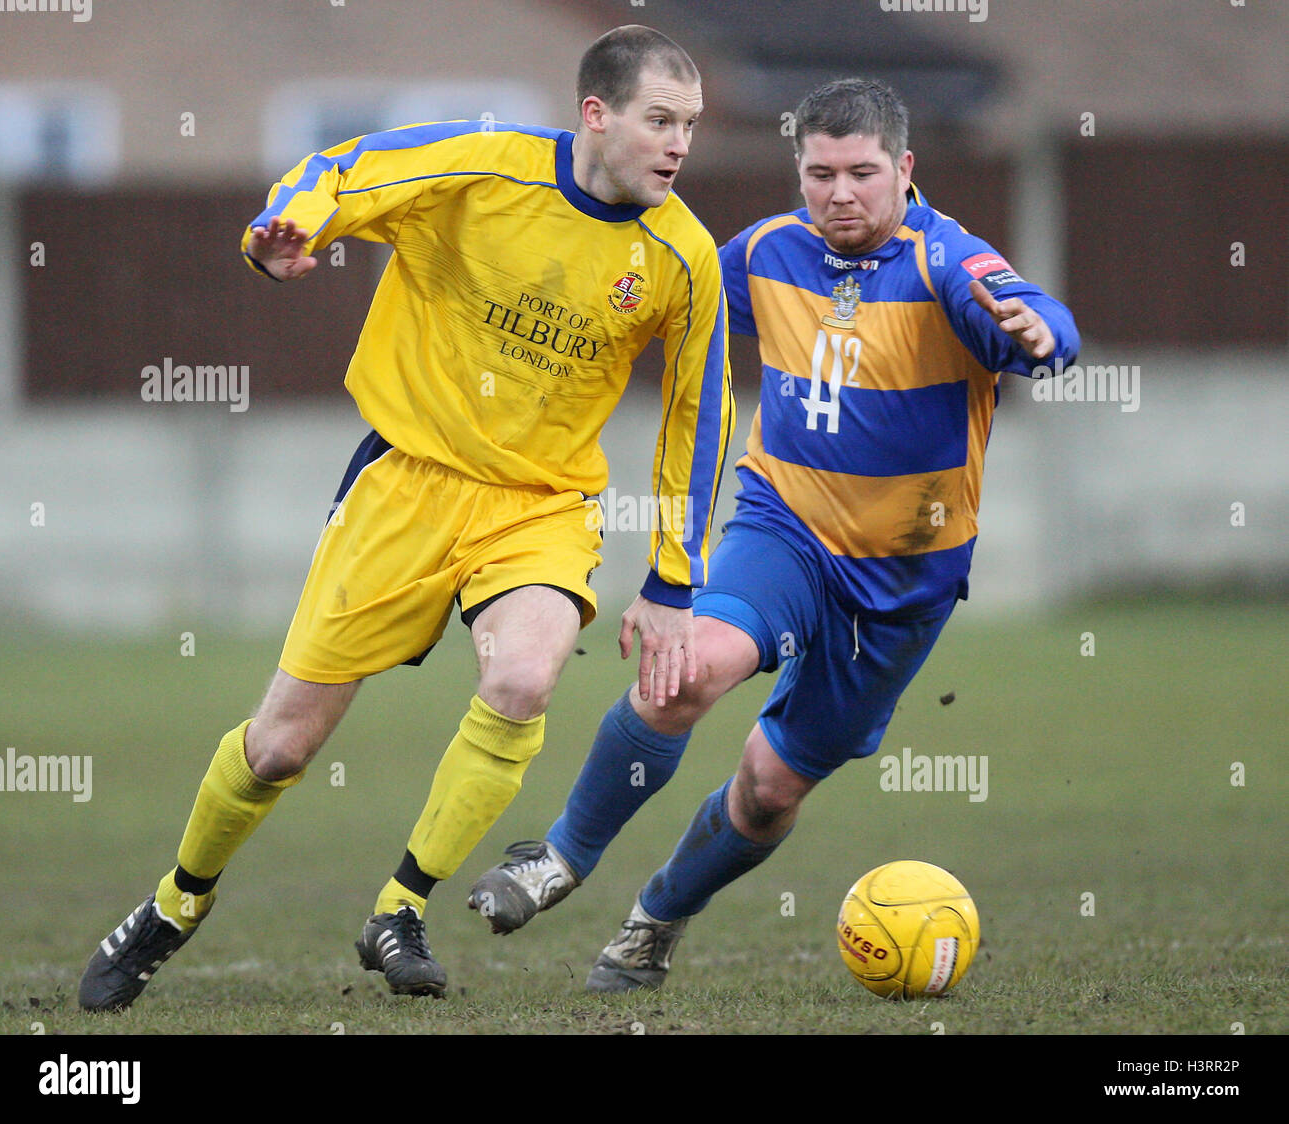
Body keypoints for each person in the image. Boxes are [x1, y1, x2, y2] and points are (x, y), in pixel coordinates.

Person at [77, 24, 733, 1011]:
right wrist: (284, 233)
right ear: (596, 114)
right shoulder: (480, 166)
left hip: (540, 502)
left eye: (688, 124)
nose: (677, 144)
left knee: (523, 673)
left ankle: (400, 906)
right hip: (406, 480)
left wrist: (674, 580)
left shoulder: (682, 255)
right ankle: (174, 904)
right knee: (278, 748)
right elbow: (340, 171)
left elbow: (698, 411)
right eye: (658, 121)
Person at [469, 76, 1079, 991]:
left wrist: (1045, 335)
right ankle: (557, 859)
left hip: (904, 583)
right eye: (820, 173)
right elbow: (660, 300)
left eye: (862, 174)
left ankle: (654, 923)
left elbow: (1033, 314)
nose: (839, 194)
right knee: (686, 667)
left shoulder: (948, 262)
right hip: (783, 528)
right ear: (800, 169)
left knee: (767, 790)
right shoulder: (765, 253)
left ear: (903, 169)